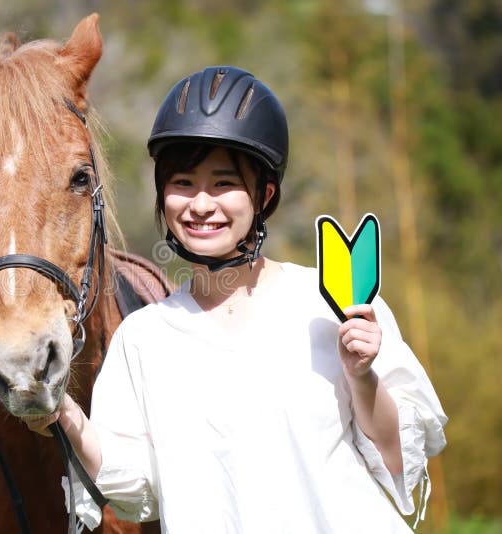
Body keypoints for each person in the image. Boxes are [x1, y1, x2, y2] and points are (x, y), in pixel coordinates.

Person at [24, 66, 447, 533]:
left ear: (264, 196)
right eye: (182, 182)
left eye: (223, 183)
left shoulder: (332, 304)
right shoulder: (143, 338)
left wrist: (362, 376)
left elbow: (396, 460)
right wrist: (62, 411)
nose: (201, 204)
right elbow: (134, 488)